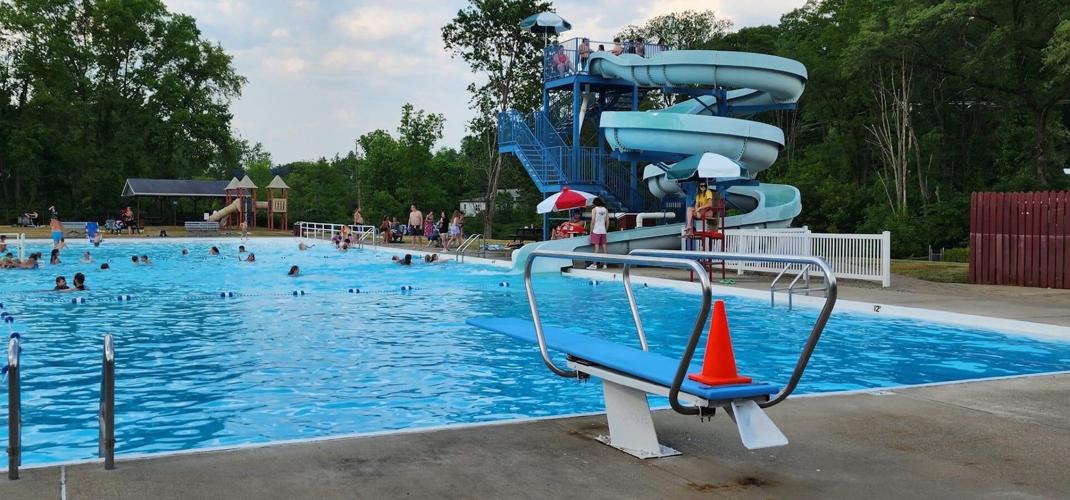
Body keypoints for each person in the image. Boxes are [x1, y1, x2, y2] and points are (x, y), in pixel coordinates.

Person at [586, 198, 609, 269]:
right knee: (604, 248)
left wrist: (591, 231)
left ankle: (594, 264)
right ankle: (605, 264)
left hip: (596, 230)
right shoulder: (605, 210)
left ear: (595, 203)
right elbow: (607, 221)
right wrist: (605, 230)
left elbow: (593, 221)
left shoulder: (594, 209)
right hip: (603, 230)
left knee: (596, 247)